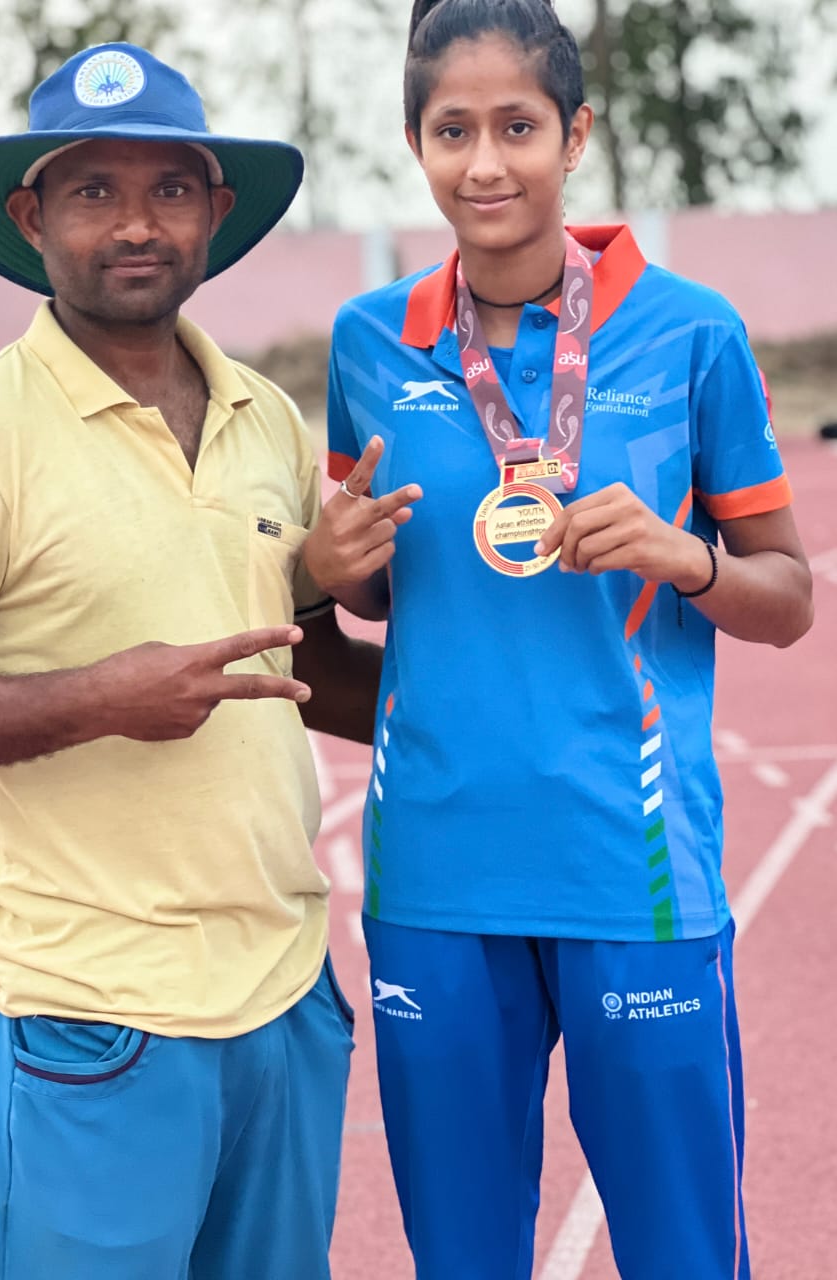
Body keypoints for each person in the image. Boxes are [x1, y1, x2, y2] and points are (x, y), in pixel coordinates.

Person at [0, 43, 381, 1280]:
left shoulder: (263, 419)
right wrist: (99, 700)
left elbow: (302, 661)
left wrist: (517, 703)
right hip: (89, 1008)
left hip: (281, 988)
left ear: (214, 213)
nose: (135, 224)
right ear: (32, 218)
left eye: (169, 190)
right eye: (93, 193)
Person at [303, 2, 814, 1277]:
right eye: (452, 129)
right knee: (464, 1255)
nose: (487, 162)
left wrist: (679, 553)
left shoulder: (691, 332)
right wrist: (332, 569)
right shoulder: (371, 344)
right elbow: (373, 606)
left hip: (632, 869)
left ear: (574, 134)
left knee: (682, 1251)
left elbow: (787, 596)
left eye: (518, 126)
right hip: (433, 879)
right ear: (415, 144)